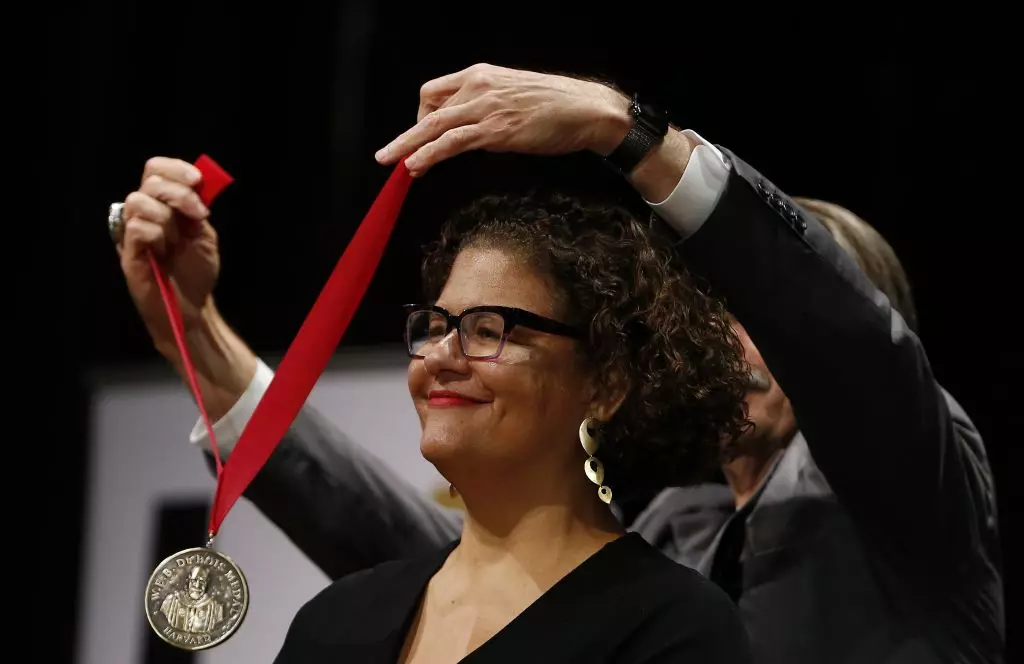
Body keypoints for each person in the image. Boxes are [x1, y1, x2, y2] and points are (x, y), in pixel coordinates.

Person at [113, 64, 1004, 663]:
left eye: (759, 315)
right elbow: (489, 591)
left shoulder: (912, 498)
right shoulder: (675, 530)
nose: (730, 341)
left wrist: (628, 133)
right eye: (714, 313)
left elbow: (842, 338)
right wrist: (203, 347)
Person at [116, 169, 755, 660]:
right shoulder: (336, 624)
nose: (442, 356)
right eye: (435, 326)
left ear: (606, 383)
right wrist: (188, 326)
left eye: (489, 330)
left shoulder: (671, 628)